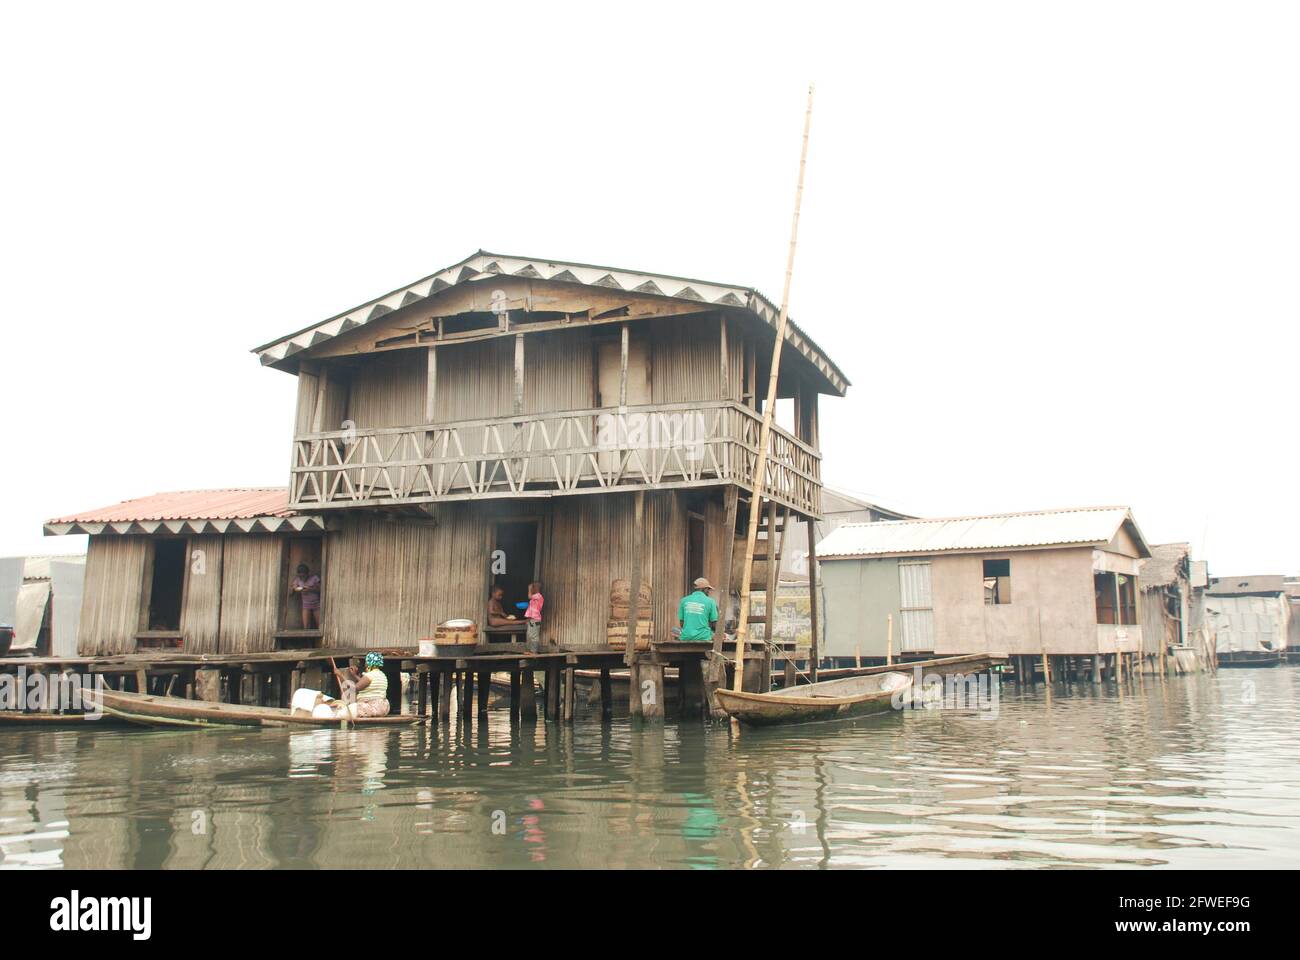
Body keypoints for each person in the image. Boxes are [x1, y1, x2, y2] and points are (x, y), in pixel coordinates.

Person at [347, 652, 390, 718]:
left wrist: (340, 675)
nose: (365, 663)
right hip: (383, 708)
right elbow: (366, 683)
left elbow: (354, 688)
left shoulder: (370, 675)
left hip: (372, 708)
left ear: (369, 663)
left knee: (349, 709)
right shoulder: (381, 674)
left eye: (366, 661)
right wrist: (355, 675)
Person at [677, 577, 719, 643]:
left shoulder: (683, 600)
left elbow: (682, 623)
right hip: (704, 637)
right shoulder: (711, 601)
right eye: (708, 589)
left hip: (686, 637)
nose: (708, 592)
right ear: (704, 589)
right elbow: (714, 624)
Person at [289, 563, 321, 629]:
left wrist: (310, 589)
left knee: (320, 625)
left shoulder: (314, 578)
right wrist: (294, 589)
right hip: (306, 605)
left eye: (303, 576)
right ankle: (307, 639)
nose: (302, 578)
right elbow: (292, 589)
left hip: (316, 605)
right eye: (300, 576)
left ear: (307, 573)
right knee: (306, 626)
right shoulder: (298, 580)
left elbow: (320, 589)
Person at [524, 581, 545, 651]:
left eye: (533, 588)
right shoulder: (535, 597)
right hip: (532, 619)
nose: (531, 589)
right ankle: (530, 650)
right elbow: (531, 608)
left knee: (534, 635)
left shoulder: (538, 596)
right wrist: (528, 618)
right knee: (529, 634)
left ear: (536, 588)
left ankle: (534, 651)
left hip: (535, 620)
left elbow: (529, 596)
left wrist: (529, 589)